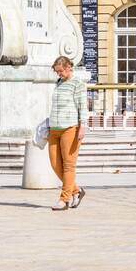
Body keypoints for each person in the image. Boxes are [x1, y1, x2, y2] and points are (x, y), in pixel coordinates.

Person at [47, 56, 87, 211]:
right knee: (55, 163)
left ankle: (64, 199)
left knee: (68, 166)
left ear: (69, 67)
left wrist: (82, 127)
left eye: (61, 71)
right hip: (54, 129)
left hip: (70, 128)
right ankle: (76, 190)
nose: (59, 74)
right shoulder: (59, 83)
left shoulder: (77, 84)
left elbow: (82, 107)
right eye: (57, 72)